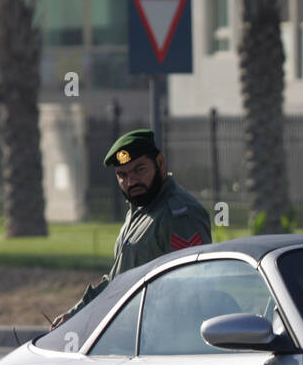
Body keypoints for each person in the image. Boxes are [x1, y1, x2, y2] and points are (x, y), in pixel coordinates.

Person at [51, 129, 211, 327]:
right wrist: (77, 313)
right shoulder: (139, 210)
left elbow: (191, 286)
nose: (131, 181)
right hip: (135, 333)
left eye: (139, 170)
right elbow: (117, 281)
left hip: (161, 338)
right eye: (122, 175)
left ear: (159, 164)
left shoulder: (178, 214)